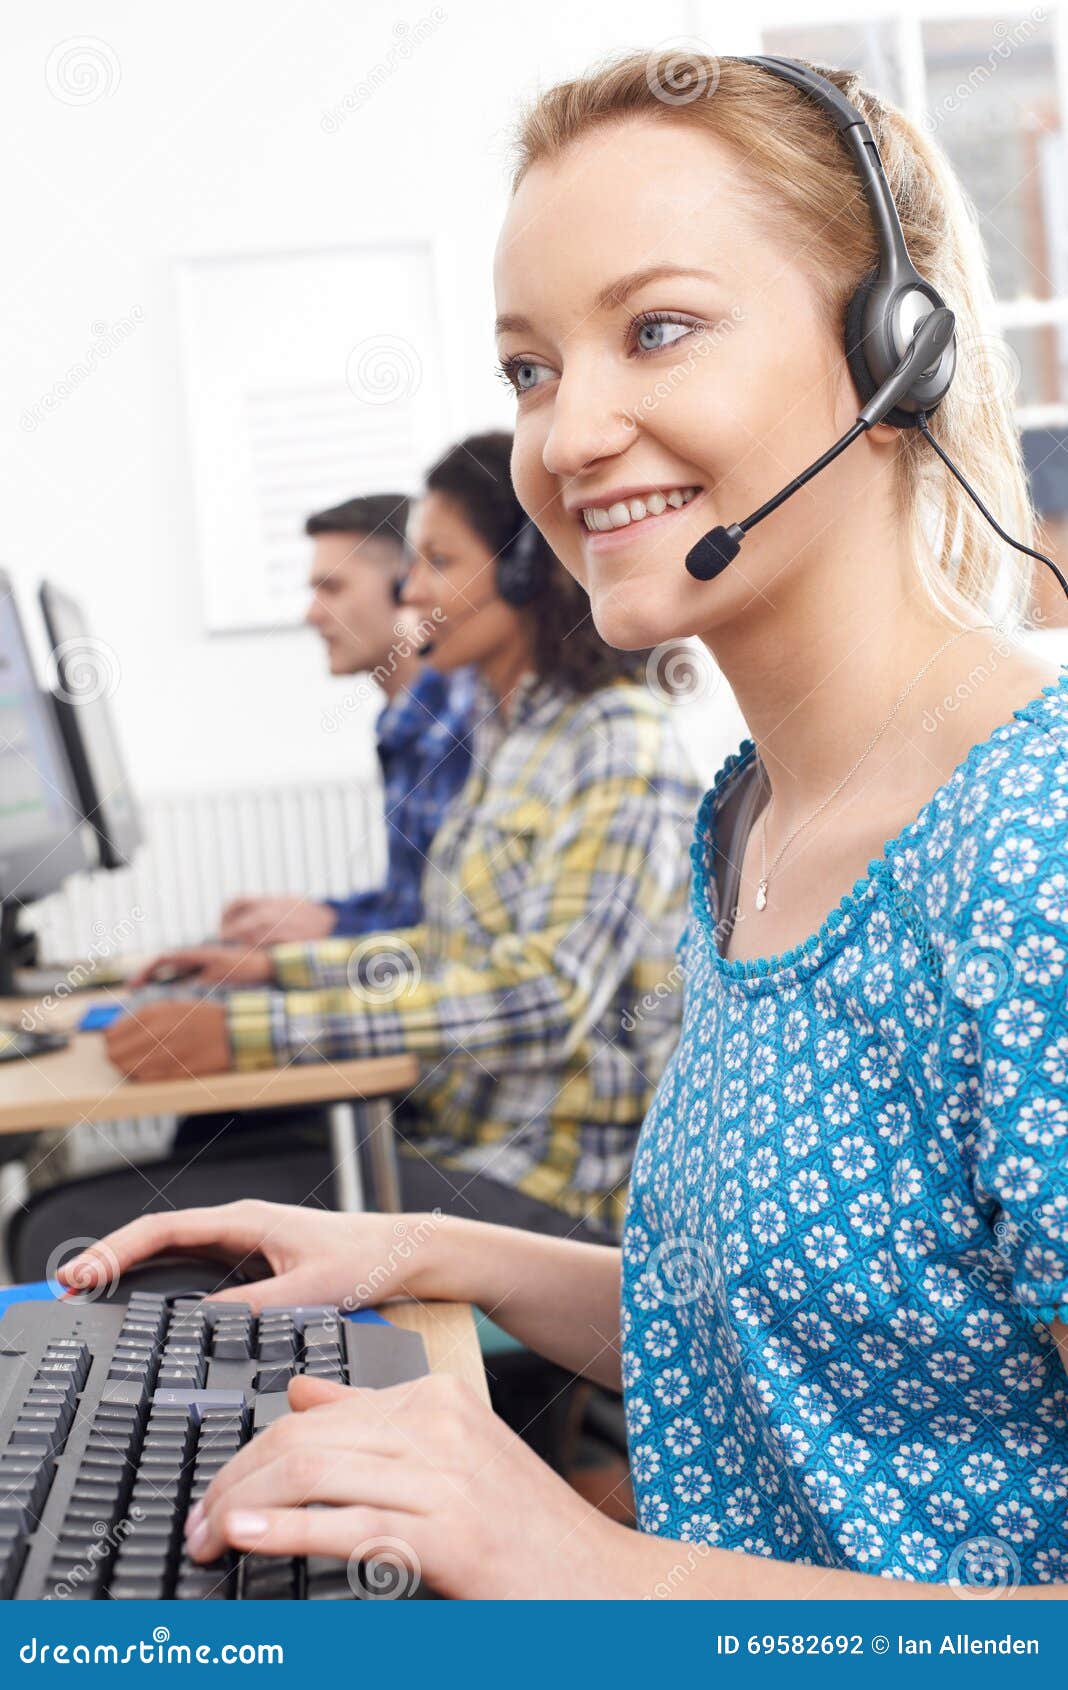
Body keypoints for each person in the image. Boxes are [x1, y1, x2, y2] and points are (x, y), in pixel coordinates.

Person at [68, 50, 1068, 1596]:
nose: (570, 432)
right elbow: (826, 1347)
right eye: (531, 368)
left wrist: (585, 1559)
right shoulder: (755, 811)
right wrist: (419, 1256)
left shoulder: (1035, 842)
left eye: (656, 330)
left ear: (898, 355)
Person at [105, 429, 702, 1244]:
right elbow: (456, 950)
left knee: (103, 1216)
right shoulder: (513, 734)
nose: (410, 592)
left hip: (543, 1191)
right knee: (183, 1173)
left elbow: (544, 996)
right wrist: (275, 968)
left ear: (529, 572)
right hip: (451, 1141)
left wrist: (256, 1029)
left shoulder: (618, 742)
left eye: (440, 563)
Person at [217, 493, 476, 949]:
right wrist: (321, 916)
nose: (311, 615)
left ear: (408, 588)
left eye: (332, 588)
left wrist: (330, 928)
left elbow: (454, 941)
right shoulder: (403, 723)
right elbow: (408, 904)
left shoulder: (457, 726)